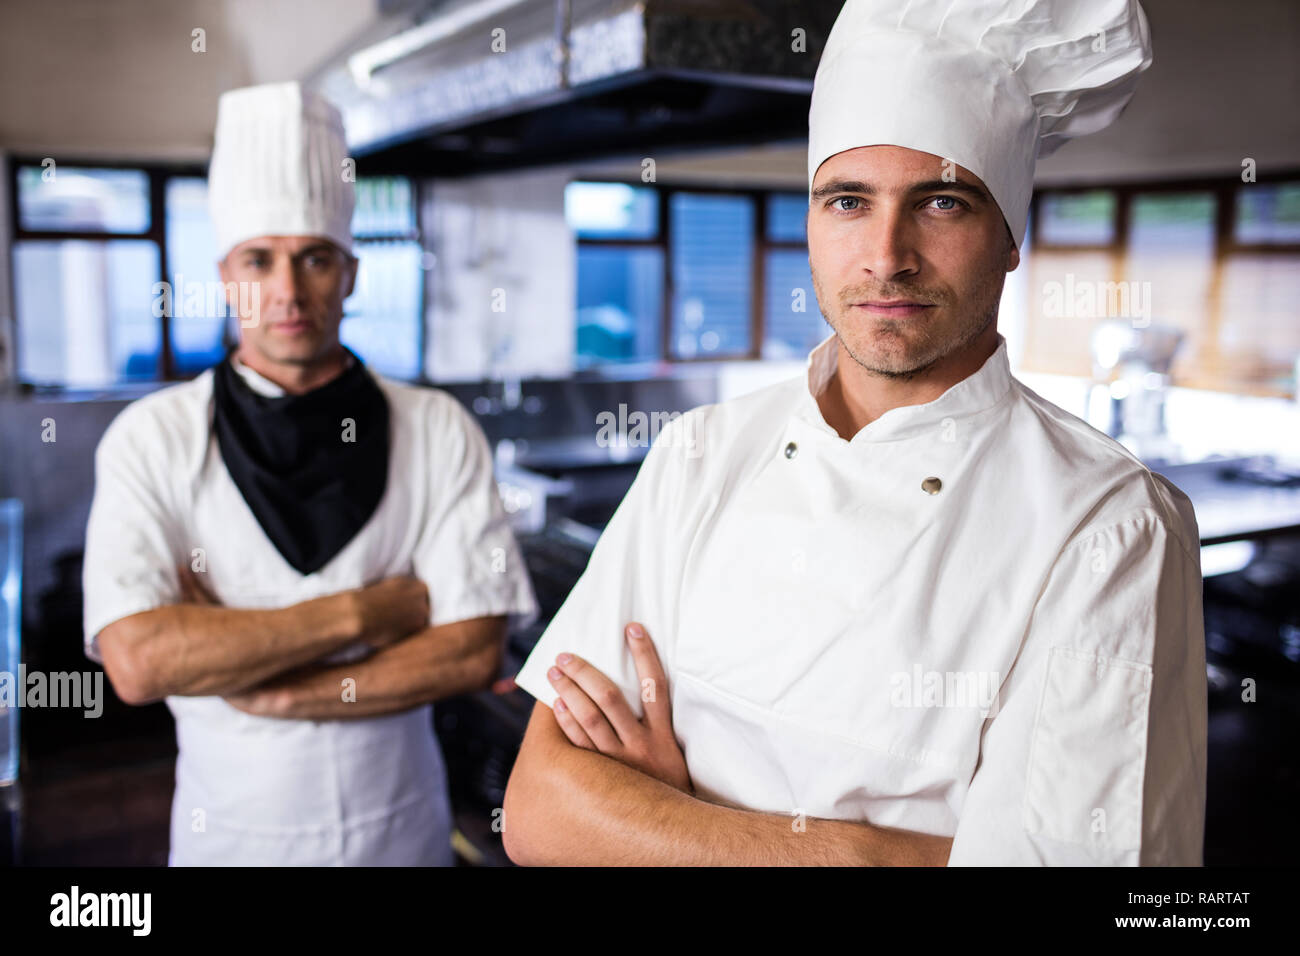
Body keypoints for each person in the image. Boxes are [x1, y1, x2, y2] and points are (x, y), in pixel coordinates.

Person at [504, 0, 1207, 865]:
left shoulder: (1109, 525)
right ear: (809, 226)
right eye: (847, 200)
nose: (886, 255)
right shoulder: (699, 454)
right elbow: (540, 814)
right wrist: (875, 854)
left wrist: (664, 816)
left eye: (942, 202)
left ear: (1011, 236)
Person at [82, 82, 536, 866]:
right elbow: (139, 659)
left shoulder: (437, 429)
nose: (288, 292)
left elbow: (471, 649)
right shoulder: (151, 439)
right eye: (260, 260)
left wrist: (274, 687)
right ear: (225, 274)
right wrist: (364, 614)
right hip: (228, 840)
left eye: (315, 259)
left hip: (400, 834)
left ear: (351, 274)